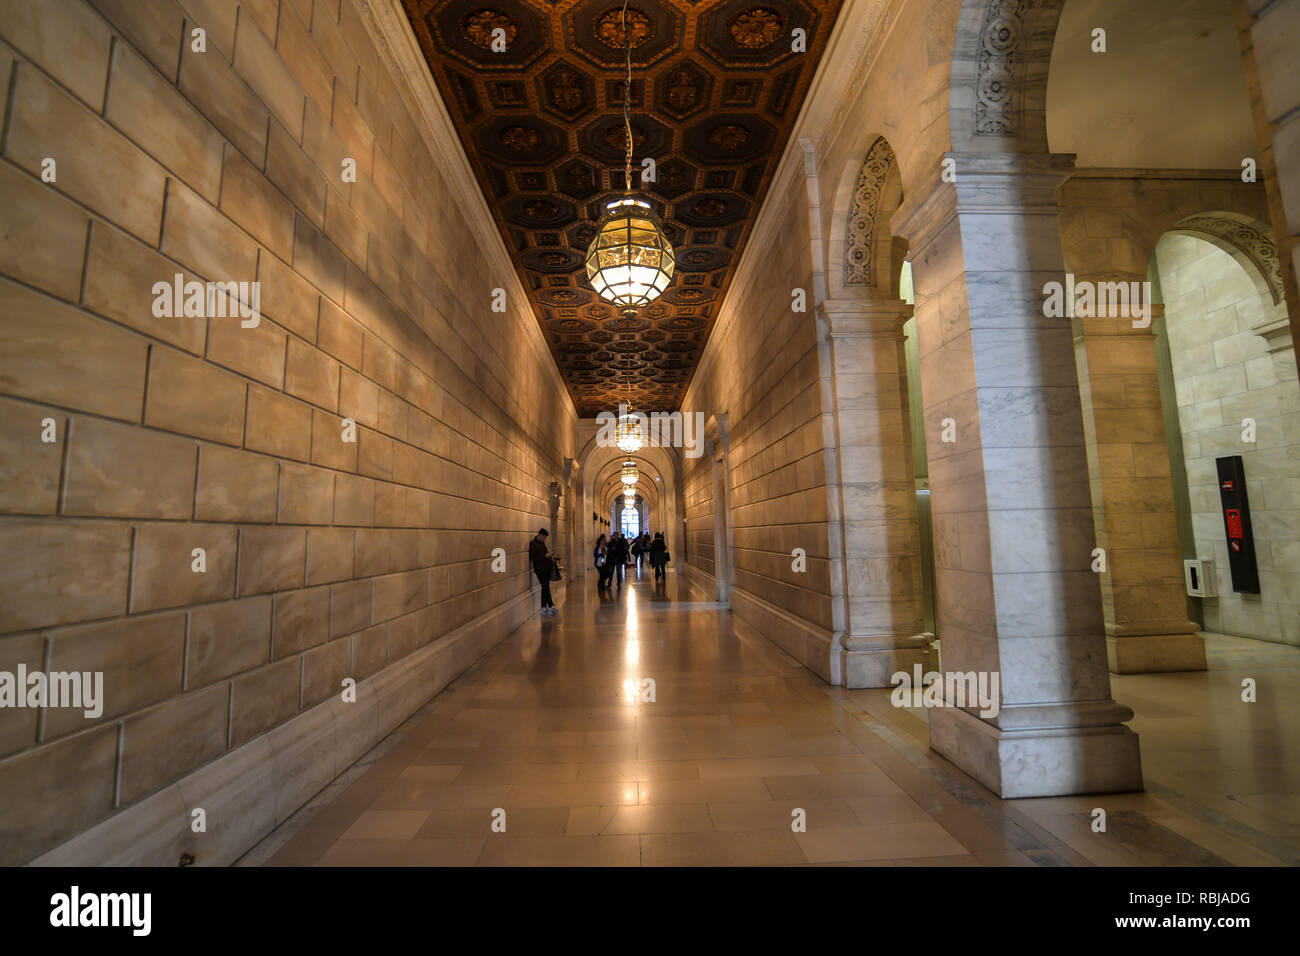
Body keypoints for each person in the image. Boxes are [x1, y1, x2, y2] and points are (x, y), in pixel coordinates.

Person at [529, 528, 557, 615]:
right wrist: (545, 556)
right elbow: (532, 558)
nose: (544, 539)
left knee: (545, 587)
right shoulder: (533, 544)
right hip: (540, 569)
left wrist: (549, 556)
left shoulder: (542, 543)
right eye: (544, 537)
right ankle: (551, 605)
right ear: (540, 535)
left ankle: (544, 607)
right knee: (545, 587)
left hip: (546, 568)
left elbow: (544, 554)